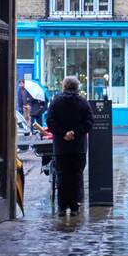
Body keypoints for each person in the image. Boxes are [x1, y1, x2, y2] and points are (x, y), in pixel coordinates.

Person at [45, 76, 94, 215]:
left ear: (64, 87)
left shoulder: (56, 102)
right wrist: (75, 133)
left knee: (62, 176)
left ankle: (61, 207)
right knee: (76, 176)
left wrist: (63, 134)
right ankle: (74, 207)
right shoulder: (83, 102)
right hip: (78, 147)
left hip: (61, 147)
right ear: (77, 87)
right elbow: (90, 121)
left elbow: (50, 120)